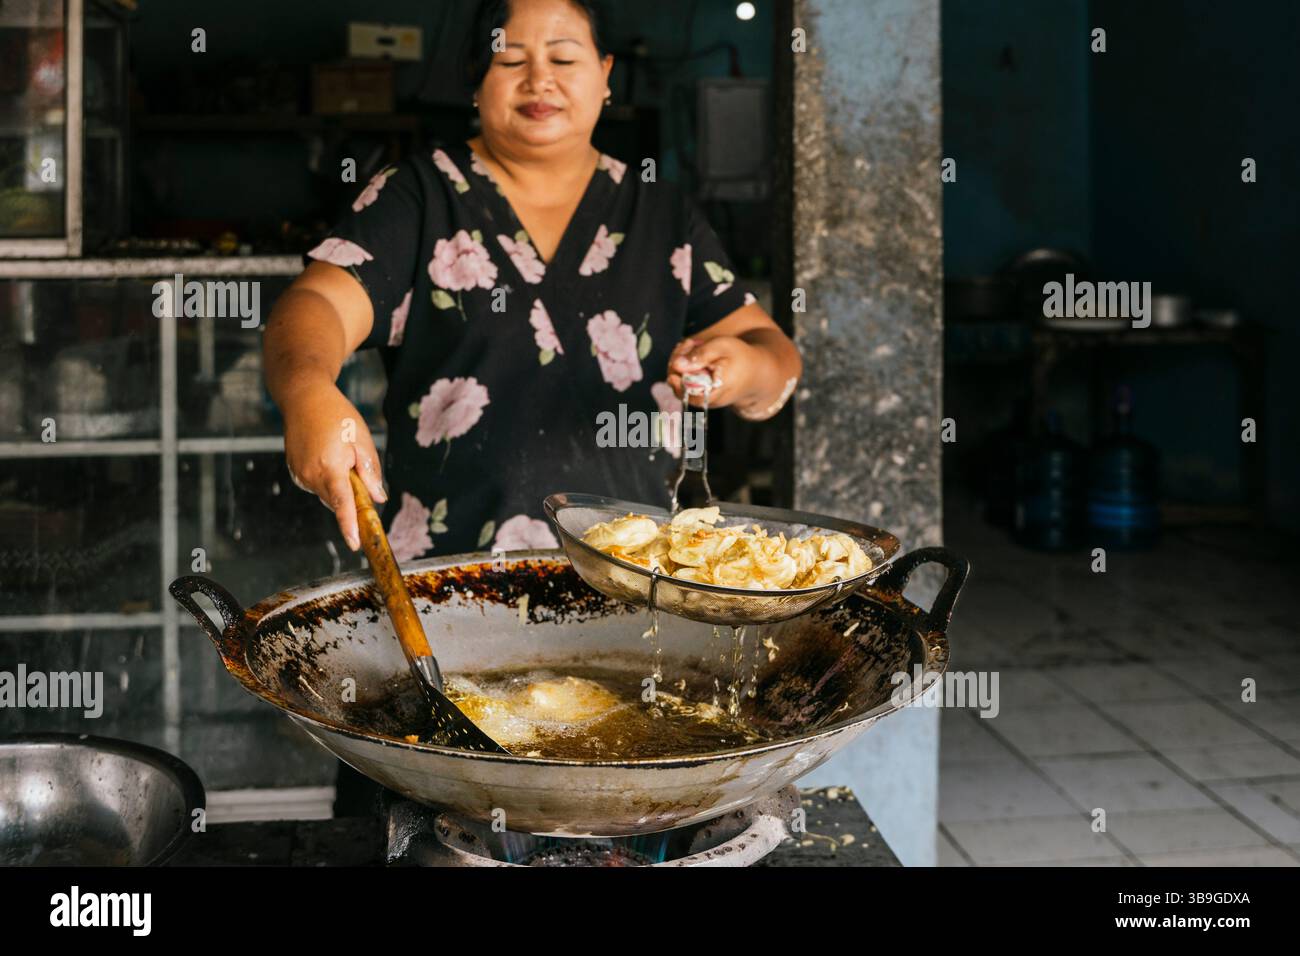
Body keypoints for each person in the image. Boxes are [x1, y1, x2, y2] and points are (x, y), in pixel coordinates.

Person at [263, 0, 801, 814]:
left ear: (606, 77)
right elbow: (317, 307)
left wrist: (739, 367)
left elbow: (774, 361)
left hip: (635, 620)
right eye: (510, 58)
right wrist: (307, 388)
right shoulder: (419, 196)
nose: (539, 78)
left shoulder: (661, 212)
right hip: (438, 615)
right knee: (422, 814)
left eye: (563, 55)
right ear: (476, 78)